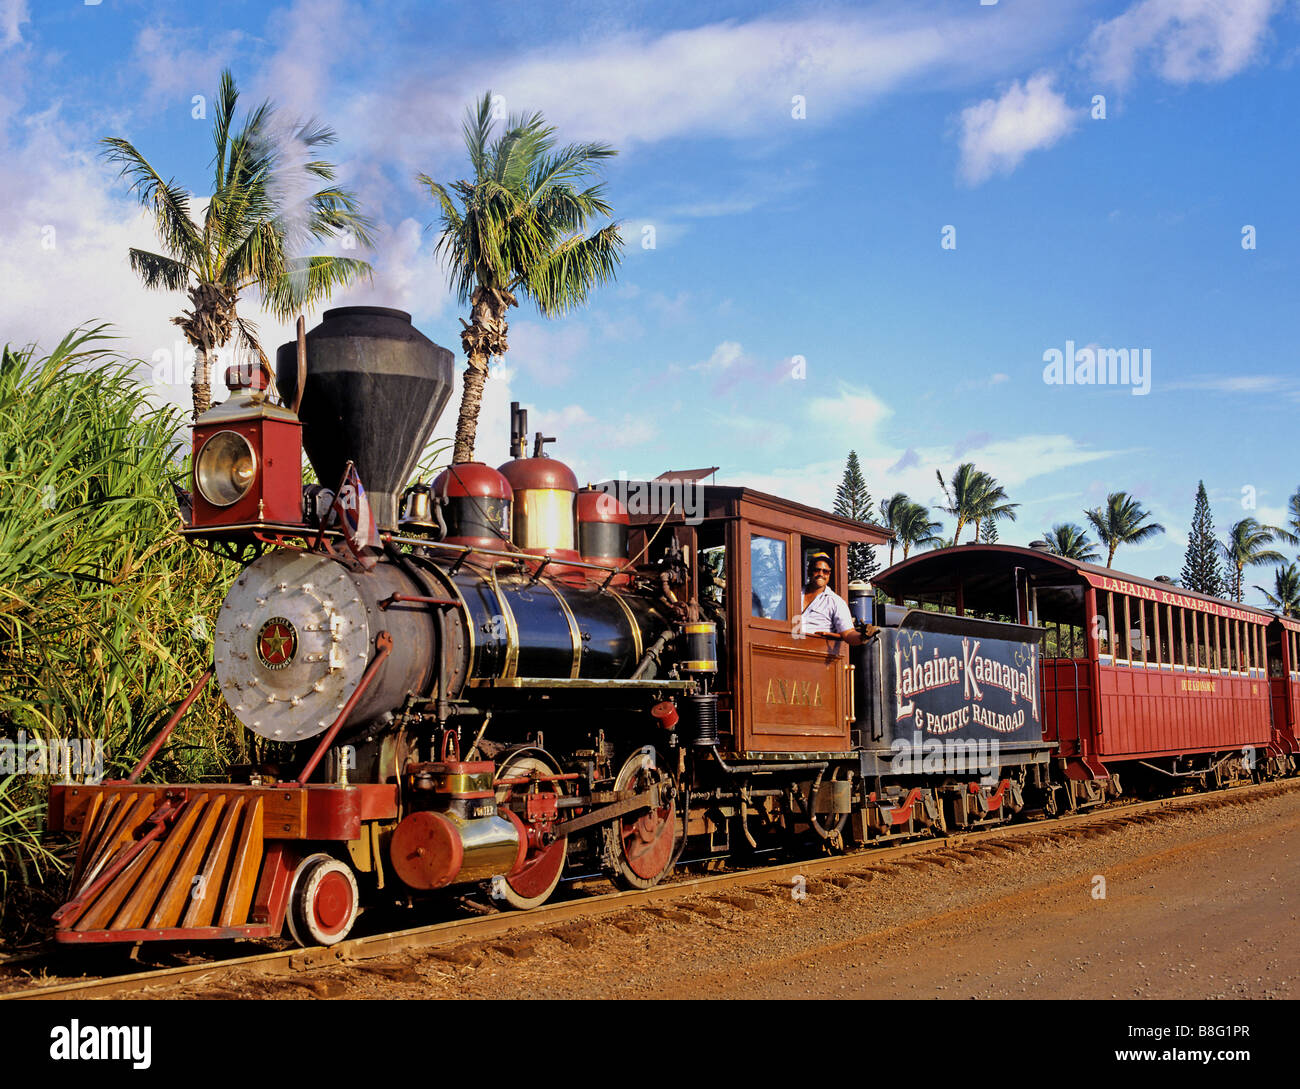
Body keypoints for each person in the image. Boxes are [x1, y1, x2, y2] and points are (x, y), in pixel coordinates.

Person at [798, 552, 877, 645]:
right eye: (817, 570)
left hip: (817, 653)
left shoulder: (836, 602)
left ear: (829, 574)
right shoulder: (795, 594)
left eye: (825, 571)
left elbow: (848, 633)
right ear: (809, 571)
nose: (821, 574)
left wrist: (863, 636)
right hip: (789, 647)